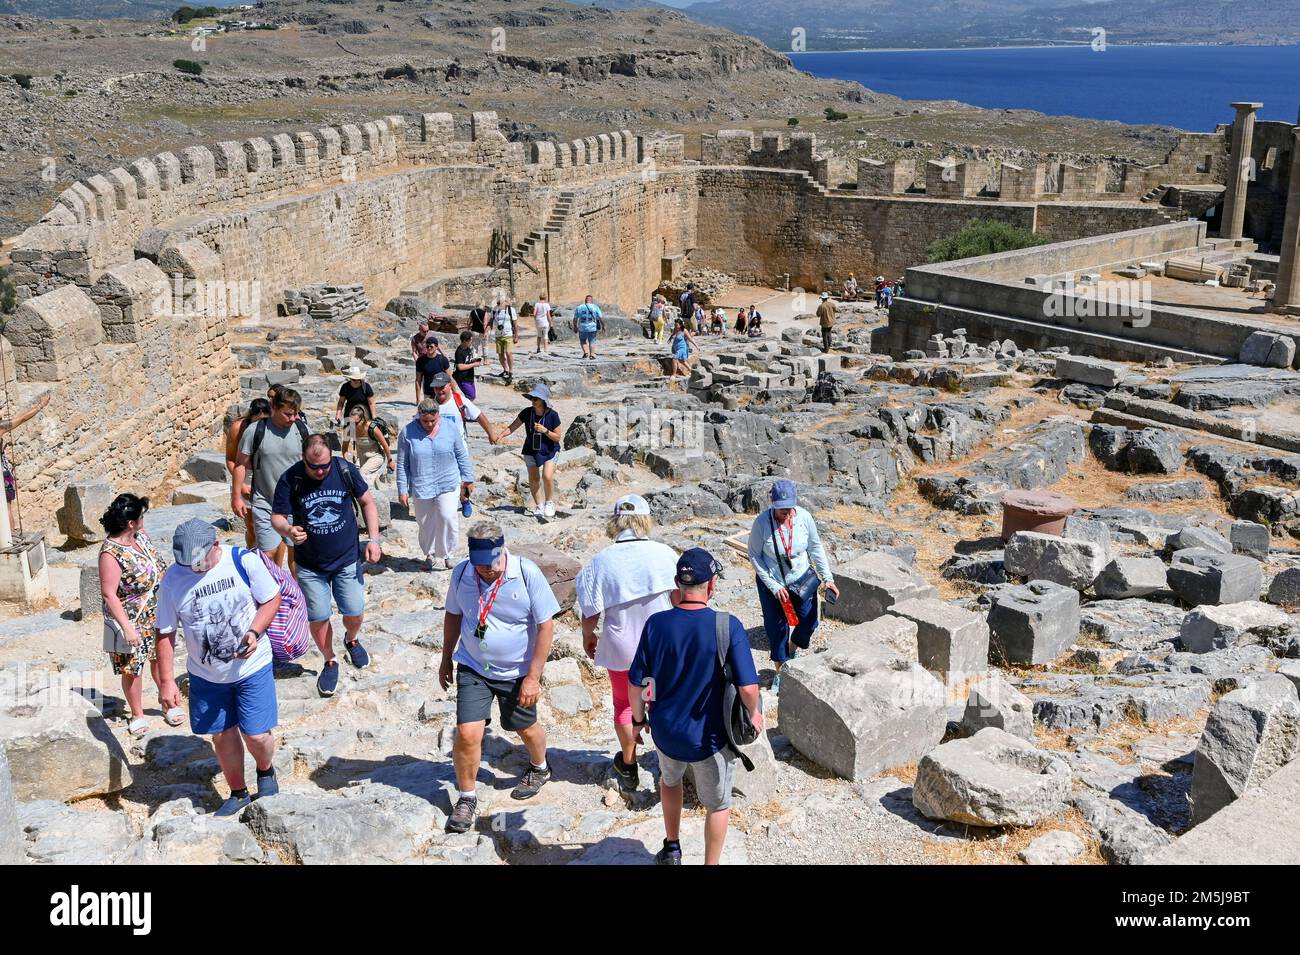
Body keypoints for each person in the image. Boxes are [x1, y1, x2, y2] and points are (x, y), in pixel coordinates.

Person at [629, 548, 761, 865]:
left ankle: (672, 848)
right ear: (711, 585)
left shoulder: (655, 625)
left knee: (669, 782)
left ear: (678, 584)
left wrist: (637, 721)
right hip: (709, 739)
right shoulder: (728, 626)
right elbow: (748, 688)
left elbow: (635, 683)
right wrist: (754, 713)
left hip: (666, 733)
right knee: (717, 805)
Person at [155, 519, 283, 817]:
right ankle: (237, 792)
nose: (194, 568)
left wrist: (254, 632)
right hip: (206, 675)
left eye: (199, 561)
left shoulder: (243, 561)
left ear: (215, 545)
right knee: (222, 735)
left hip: (252, 665)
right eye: (187, 563)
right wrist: (166, 681)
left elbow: (271, 599)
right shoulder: (173, 579)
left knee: (256, 735)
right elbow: (165, 631)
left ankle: (265, 772)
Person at [440, 522, 561, 832]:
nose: (486, 571)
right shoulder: (463, 574)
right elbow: (453, 615)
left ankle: (540, 767)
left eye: (492, 564)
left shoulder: (526, 573)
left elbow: (546, 626)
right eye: (479, 565)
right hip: (473, 666)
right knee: (467, 733)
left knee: (525, 727)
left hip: (517, 672)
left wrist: (533, 677)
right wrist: (445, 660)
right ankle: (466, 798)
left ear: (502, 552)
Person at [575, 495, 678, 791]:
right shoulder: (664, 553)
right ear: (645, 520)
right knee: (660, 700)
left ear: (615, 522)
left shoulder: (601, 560)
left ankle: (629, 765)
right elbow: (678, 598)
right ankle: (669, 765)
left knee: (623, 704)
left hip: (621, 646)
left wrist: (588, 636)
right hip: (659, 645)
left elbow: (590, 610)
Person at [271, 435, 380, 697]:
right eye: (314, 467)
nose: (320, 471)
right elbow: (277, 517)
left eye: (324, 466)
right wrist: (288, 529)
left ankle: (351, 639)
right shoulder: (292, 478)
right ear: (304, 459)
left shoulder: (345, 469)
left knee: (354, 611)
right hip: (310, 565)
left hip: (346, 559)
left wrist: (374, 539)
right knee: (318, 617)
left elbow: (368, 502)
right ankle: (329, 659)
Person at [98, 493, 181, 738]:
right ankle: (137, 714)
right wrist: (127, 627)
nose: (144, 518)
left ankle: (167, 701)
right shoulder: (110, 553)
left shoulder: (141, 537)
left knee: (159, 659)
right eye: (141, 516)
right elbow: (109, 594)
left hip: (156, 612)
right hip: (131, 620)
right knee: (132, 669)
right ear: (131, 522)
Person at [747, 480, 838, 691]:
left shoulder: (804, 518)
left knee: (808, 620)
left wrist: (828, 579)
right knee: (776, 628)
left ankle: (793, 647)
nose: (786, 513)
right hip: (773, 584)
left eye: (789, 508)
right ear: (773, 504)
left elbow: (815, 548)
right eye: (781, 509)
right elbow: (754, 555)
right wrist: (773, 585)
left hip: (801, 580)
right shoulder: (762, 523)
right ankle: (781, 670)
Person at [232, 388, 308, 570]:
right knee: (267, 556)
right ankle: (272, 596)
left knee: (297, 557)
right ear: (274, 407)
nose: (293, 418)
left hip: (295, 504)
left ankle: (298, 596)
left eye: (296, 413)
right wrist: (236, 497)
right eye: (288, 414)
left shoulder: (301, 429)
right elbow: (240, 464)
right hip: (265, 502)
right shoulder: (256, 430)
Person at [397, 398, 474, 572]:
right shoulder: (407, 432)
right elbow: (402, 464)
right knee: (425, 522)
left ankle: (448, 554)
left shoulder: (450, 428)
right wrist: (402, 489)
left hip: (448, 481)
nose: (429, 424)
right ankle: (430, 554)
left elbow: (461, 454)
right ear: (419, 416)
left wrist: (468, 477)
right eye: (425, 421)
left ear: (438, 415)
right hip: (422, 483)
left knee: (448, 517)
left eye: (433, 420)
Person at [498, 384, 562, 520]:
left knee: (547, 476)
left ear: (543, 400)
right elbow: (513, 426)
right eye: (532, 398)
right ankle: (539, 505)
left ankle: (549, 503)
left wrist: (545, 430)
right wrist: (501, 435)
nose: (533, 401)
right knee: (533, 479)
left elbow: (557, 437)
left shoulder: (553, 415)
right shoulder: (527, 412)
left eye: (536, 399)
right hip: (531, 449)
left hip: (550, 449)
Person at [1, 390, 50, 531]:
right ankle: (11, 537)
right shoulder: (0, 427)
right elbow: (22, 418)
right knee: (7, 507)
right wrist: (40, 405)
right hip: (3, 473)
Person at [226, 398, 271, 548]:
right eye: (257, 421)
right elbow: (231, 460)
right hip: (247, 475)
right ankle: (251, 557)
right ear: (250, 416)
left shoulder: (274, 427)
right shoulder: (238, 428)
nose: (260, 426)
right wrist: (242, 485)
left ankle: (272, 567)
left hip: (268, 477)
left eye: (264, 421)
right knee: (252, 527)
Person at [428, 371, 498, 444]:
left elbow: (479, 416)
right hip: (437, 448)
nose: (439, 391)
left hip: (458, 449)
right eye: (436, 387)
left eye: (442, 387)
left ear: (449, 385)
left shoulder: (460, 401)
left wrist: (491, 434)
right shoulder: (429, 404)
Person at [347, 405, 395, 487]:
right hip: (362, 458)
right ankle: (378, 482)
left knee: (361, 473)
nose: (353, 425)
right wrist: (346, 462)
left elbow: (385, 444)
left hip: (376, 456)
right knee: (363, 479)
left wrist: (390, 461)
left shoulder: (373, 428)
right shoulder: (349, 429)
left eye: (356, 423)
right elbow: (344, 448)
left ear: (363, 419)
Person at [414, 336, 450, 405]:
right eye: (427, 346)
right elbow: (418, 380)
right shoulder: (421, 361)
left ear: (436, 347)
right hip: (428, 393)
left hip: (442, 392)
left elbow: (450, 377)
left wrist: (454, 392)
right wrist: (418, 399)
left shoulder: (443, 360)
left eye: (431, 346)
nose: (429, 348)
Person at [491, 296, 519, 383]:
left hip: (508, 334)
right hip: (498, 335)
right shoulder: (495, 310)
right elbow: (491, 321)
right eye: (497, 303)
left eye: (499, 303)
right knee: (500, 354)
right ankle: (505, 369)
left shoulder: (511, 310)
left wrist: (516, 336)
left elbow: (515, 324)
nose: (498, 304)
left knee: (508, 353)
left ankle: (510, 372)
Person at [452, 330, 483, 401]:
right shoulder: (459, 352)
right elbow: (460, 367)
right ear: (465, 341)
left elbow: (467, 360)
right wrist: (474, 364)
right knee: (470, 396)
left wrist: (474, 360)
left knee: (472, 396)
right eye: (470, 341)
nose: (471, 342)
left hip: (469, 377)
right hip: (462, 378)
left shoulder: (467, 348)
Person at [573, 294, 603, 360]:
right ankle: (592, 355)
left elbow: (575, 318)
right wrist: (603, 325)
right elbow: (600, 317)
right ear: (592, 301)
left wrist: (575, 326)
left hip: (582, 327)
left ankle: (586, 352)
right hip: (592, 327)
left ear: (585, 300)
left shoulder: (579, 307)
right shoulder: (595, 307)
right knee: (592, 340)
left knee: (583, 340)